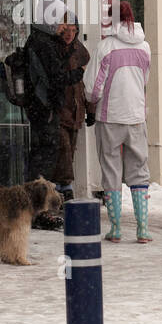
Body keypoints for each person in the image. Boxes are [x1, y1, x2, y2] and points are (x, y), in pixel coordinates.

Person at [84, 1, 152, 242]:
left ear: (111, 20)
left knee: (111, 169)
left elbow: (93, 88)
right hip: (136, 116)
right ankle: (143, 228)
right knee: (139, 170)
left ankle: (116, 228)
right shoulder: (145, 47)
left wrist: (91, 102)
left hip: (109, 116)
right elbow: (144, 80)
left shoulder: (105, 47)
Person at [24, 0, 75, 229]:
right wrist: (77, 73)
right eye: (60, 20)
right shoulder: (44, 44)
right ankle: (38, 209)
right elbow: (56, 78)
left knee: (41, 157)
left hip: (39, 108)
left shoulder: (36, 41)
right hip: (45, 110)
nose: (64, 25)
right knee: (44, 159)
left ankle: (35, 207)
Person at [53, 17, 90, 202]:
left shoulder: (80, 51)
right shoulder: (54, 49)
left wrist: (89, 108)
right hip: (60, 108)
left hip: (76, 108)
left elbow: (85, 83)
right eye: (66, 29)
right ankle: (64, 189)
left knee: (69, 150)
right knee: (63, 149)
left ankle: (61, 189)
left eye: (74, 30)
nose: (69, 34)